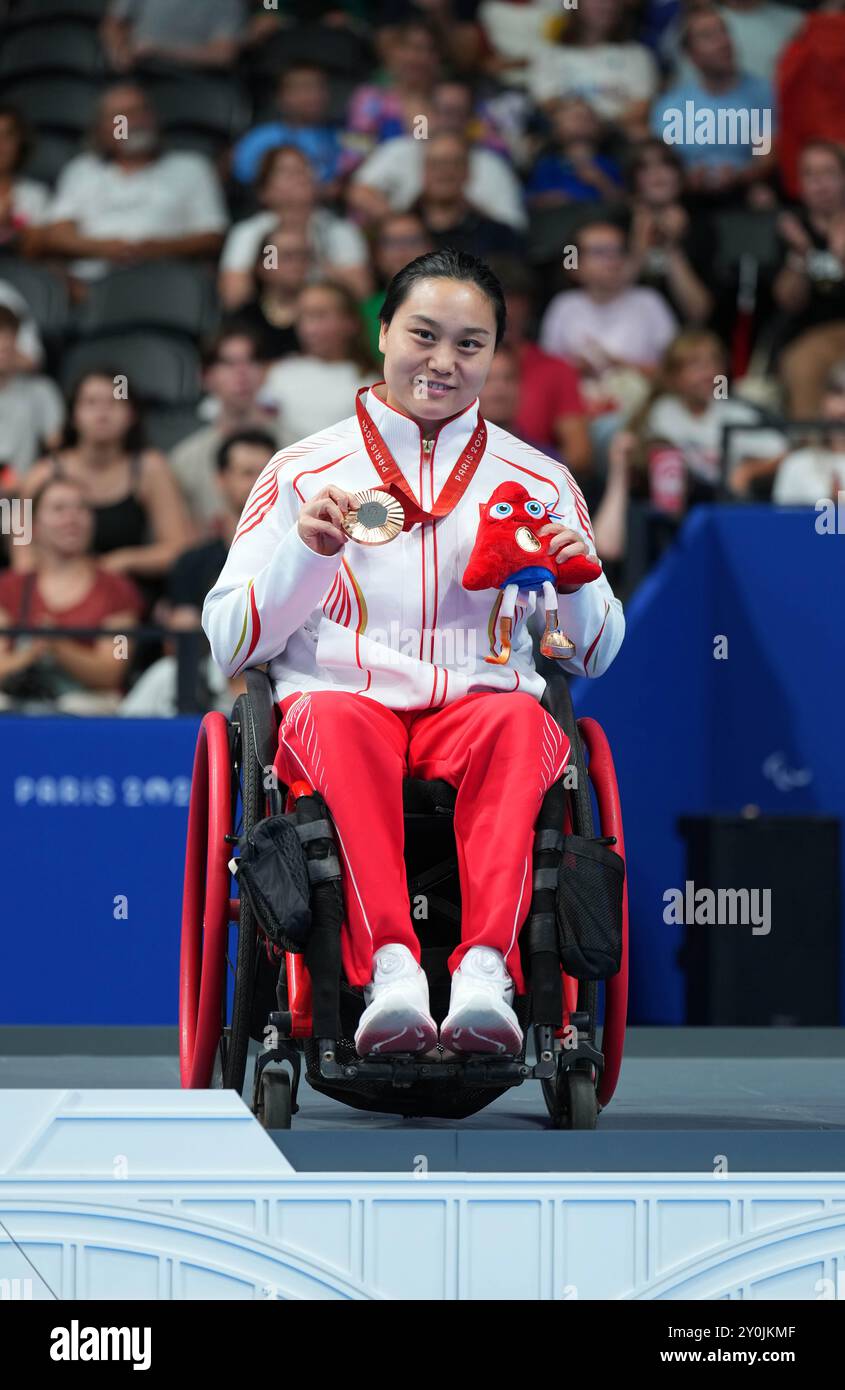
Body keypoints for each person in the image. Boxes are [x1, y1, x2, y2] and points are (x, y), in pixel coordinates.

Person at [202, 249, 624, 1059]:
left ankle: (484, 979)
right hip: (342, 698)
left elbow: (594, 652)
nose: (442, 362)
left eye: (470, 344)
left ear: (496, 355)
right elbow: (231, 639)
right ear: (383, 332)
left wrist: (576, 580)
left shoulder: (539, 477)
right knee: (331, 718)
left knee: (518, 721)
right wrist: (305, 552)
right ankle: (391, 970)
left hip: (476, 706)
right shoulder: (300, 471)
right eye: (422, 335)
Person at [120, 430, 274, 716]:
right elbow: (179, 645)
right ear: (221, 480)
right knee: (166, 675)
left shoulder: (297, 556)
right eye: (246, 472)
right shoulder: (192, 563)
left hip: (277, 680)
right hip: (208, 685)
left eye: (266, 472)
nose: (257, 482)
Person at [31, 85, 227, 287]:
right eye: (122, 116)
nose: (136, 121)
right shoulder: (83, 170)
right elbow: (56, 234)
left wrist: (158, 249)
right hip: (90, 283)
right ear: (102, 130)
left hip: (166, 281)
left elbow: (212, 236)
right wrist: (106, 248)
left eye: (142, 111)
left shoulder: (191, 167)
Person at [19, 371, 193, 592]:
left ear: (131, 414)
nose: (102, 413)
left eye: (114, 402)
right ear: (73, 415)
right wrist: (32, 568)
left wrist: (125, 560)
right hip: (51, 593)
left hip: (127, 595)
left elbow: (178, 549)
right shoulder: (42, 472)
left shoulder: (151, 467)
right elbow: (17, 532)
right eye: (91, 403)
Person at [0, 476, 142, 714]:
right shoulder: (8, 588)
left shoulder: (118, 590)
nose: (72, 519)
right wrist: (33, 653)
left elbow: (112, 670)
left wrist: (59, 646)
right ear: (34, 524)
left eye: (82, 509)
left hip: (91, 713)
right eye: (59, 509)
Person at [631, 329, 788, 509]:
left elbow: (783, 452)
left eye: (713, 363)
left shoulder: (734, 414)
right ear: (673, 376)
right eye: (695, 366)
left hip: (724, 505)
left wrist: (749, 470)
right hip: (678, 508)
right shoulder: (663, 413)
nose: (707, 373)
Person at [539, 220, 677, 421]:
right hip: (578, 415)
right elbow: (545, 373)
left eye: (618, 250)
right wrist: (575, 369)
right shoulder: (564, 306)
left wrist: (622, 365)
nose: (612, 259)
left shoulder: (649, 302)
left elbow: (675, 372)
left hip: (641, 414)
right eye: (600, 252)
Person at [348, 78, 526, 231]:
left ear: (471, 118)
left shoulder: (491, 165)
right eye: (443, 111)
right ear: (429, 112)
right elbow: (357, 192)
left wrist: (463, 212)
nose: (450, 120)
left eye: (458, 112)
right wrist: (402, 225)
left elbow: (512, 227)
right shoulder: (401, 149)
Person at [650, 6, 777, 205]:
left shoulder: (760, 93)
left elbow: (765, 156)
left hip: (743, 191)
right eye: (708, 36)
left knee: (763, 198)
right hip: (686, 197)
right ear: (691, 54)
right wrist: (685, 178)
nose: (723, 42)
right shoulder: (671, 105)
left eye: (724, 32)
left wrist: (740, 175)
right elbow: (661, 163)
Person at [218, 146, 370, 311]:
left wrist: (312, 263)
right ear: (265, 191)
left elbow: (360, 292)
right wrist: (276, 271)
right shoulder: (251, 232)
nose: (300, 177)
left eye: (305, 168)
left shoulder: (340, 232)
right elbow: (234, 295)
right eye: (287, 171)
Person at [169, 328, 284, 534]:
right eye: (228, 363)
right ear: (206, 376)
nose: (242, 373)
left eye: (251, 361)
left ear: (265, 371)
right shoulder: (183, 460)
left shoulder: (300, 448)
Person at [489, 256, 592, 477]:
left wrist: (531, 474)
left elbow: (579, 454)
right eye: (497, 299)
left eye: (516, 299)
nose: (507, 309)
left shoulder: (557, 369)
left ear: (528, 306)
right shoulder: (457, 364)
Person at [773, 142, 845, 419]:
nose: (820, 184)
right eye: (810, 175)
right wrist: (800, 256)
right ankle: (809, 453)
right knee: (802, 363)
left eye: (829, 173)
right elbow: (788, 302)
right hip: (810, 335)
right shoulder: (790, 229)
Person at [259, 282, 378, 447]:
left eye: (319, 316)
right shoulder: (281, 372)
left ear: (350, 323)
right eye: (303, 317)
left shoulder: (370, 384)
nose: (309, 328)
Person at [529, 0, 659, 139]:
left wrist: (598, 126)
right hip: (565, 136)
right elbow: (546, 102)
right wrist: (579, 119)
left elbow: (641, 107)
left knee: (640, 133)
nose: (606, 5)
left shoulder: (637, 55)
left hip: (616, 136)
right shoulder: (550, 54)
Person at [627, 139, 715, 326]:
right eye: (644, 168)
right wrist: (639, 243)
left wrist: (672, 246)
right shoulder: (619, 223)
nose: (657, 173)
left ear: (680, 176)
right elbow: (608, 296)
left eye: (665, 164)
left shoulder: (703, 225)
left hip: (683, 335)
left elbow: (699, 311)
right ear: (634, 180)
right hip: (625, 330)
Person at [230, 64, 344, 191]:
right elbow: (250, 182)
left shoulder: (342, 135)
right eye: (305, 88)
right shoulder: (260, 137)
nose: (315, 95)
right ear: (282, 97)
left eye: (320, 87)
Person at [412, 133, 525, 259]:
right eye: (436, 163)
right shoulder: (397, 233)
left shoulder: (499, 237)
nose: (444, 172)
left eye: (455, 163)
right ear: (424, 171)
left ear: (468, 171)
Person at [228, 226, 310, 364]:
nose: (297, 264)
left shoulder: (325, 313)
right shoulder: (244, 319)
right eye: (287, 256)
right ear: (263, 265)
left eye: (303, 255)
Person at [360, 212, 434, 363]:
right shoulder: (362, 313)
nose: (403, 251)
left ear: (430, 249)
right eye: (392, 242)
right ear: (377, 254)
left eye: (412, 241)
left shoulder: (453, 305)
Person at [525, 97, 624, 208]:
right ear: (557, 129)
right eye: (574, 118)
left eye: (588, 118)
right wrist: (550, 199)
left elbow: (622, 201)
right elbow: (530, 199)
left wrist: (601, 181)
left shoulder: (610, 164)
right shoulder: (546, 166)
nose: (581, 122)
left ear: (599, 128)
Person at [0, 306, 64, 477]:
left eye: (10, 335)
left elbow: (56, 448)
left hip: (24, 493)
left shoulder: (42, 390)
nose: (5, 342)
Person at [773, 362, 845, 506]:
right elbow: (782, 525)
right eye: (837, 393)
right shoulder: (797, 465)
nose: (842, 408)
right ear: (823, 402)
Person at [101, 0, 245, 71]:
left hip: (189, 79)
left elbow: (224, 55)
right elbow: (114, 23)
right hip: (136, 70)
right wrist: (118, 51)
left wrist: (159, 50)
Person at [0, 105, 50, 255]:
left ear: (20, 143)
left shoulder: (36, 195)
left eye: (8, 136)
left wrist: (10, 229)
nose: (0, 145)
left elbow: (36, 249)